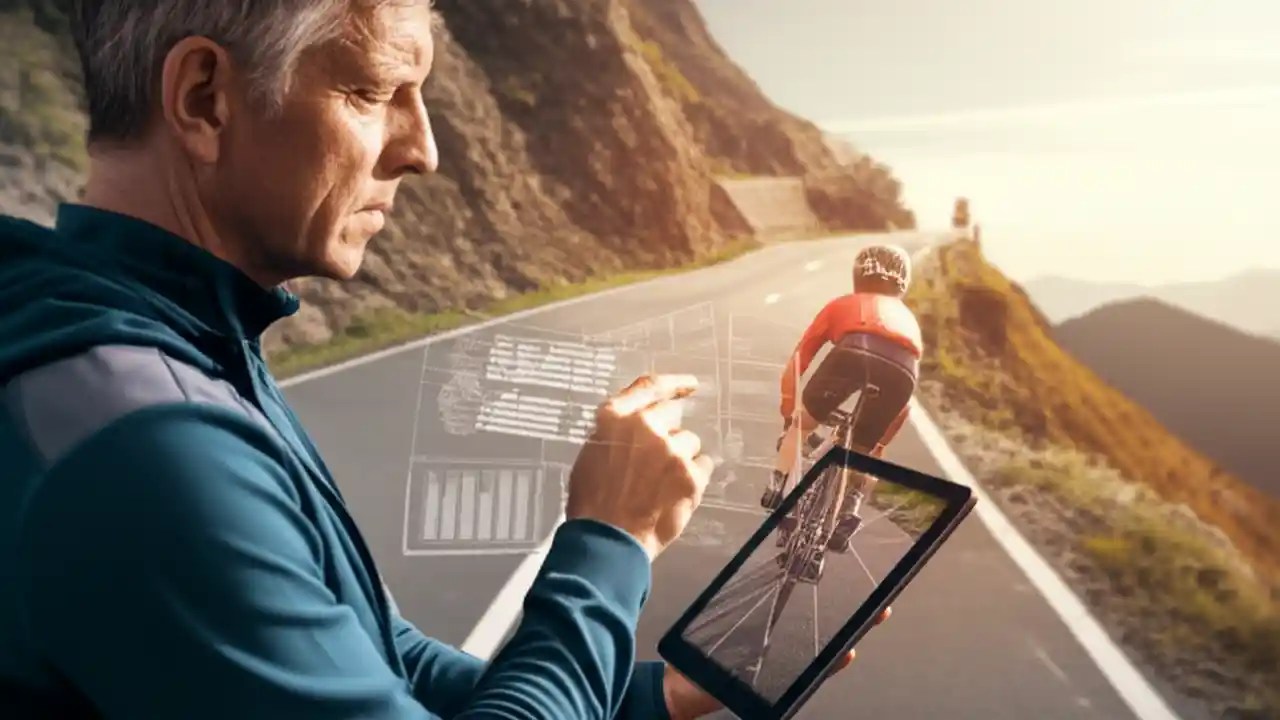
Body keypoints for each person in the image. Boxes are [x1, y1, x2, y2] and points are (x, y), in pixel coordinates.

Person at [0, 1, 886, 718]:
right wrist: (610, 546)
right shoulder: (146, 444)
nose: (422, 149)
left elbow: (378, 662)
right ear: (205, 99)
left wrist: (663, 694)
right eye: (375, 89)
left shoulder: (174, 349)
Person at [760, 244, 922, 582]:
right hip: (902, 373)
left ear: (857, 276)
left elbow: (799, 359)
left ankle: (778, 488)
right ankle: (849, 509)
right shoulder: (909, 321)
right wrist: (878, 445)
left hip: (854, 353)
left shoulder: (842, 304)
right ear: (903, 284)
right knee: (863, 451)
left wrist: (790, 415)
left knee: (801, 425)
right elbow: (905, 406)